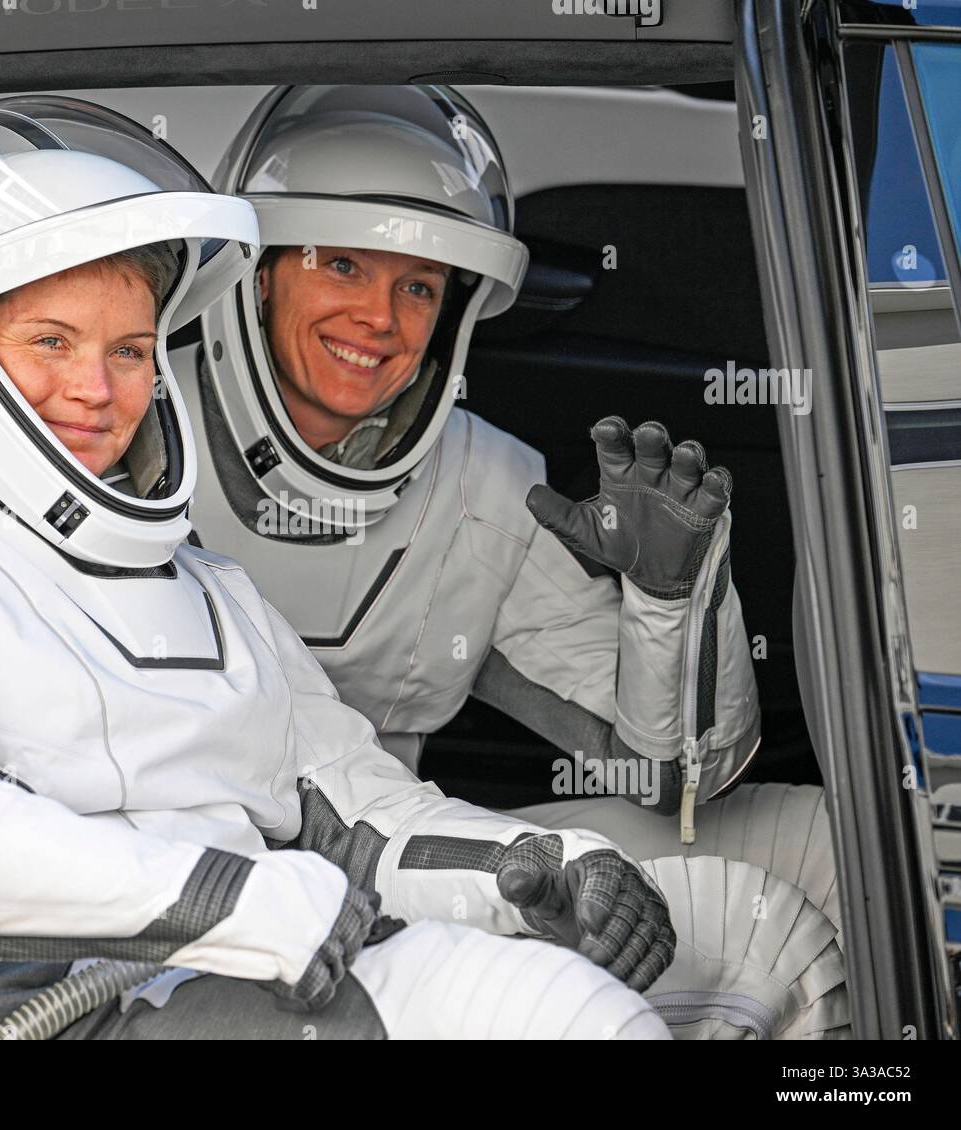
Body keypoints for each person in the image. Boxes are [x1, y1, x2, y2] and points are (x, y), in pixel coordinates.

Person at [0, 95, 678, 1040]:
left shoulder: (208, 588)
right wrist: (228, 900)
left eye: (131, 350)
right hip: (90, 1012)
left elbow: (362, 812)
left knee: (582, 1016)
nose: (96, 390)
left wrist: (534, 867)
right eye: (50, 342)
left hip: (273, 983)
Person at [170, 86, 847, 1035]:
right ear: (262, 273)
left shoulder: (480, 486)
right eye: (345, 265)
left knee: (840, 848)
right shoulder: (130, 440)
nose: (379, 317)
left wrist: (667, 603)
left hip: (411, 847)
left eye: (418, 286)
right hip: (229, 892)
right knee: (760, 938)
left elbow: (675, 782)